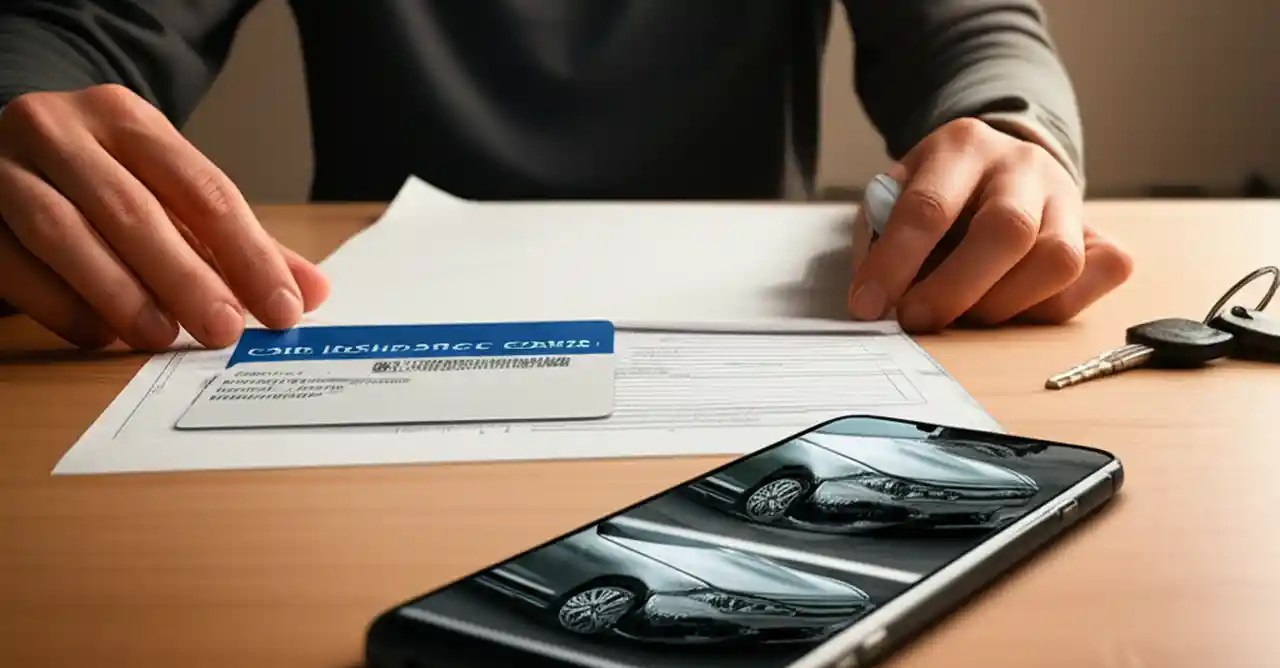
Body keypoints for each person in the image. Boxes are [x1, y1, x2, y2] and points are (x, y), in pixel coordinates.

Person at [0, 1, 1131, 351]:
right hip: (351, 353)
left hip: (758, 366)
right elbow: (72, 29)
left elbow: (976, 34)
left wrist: (1010, 132)